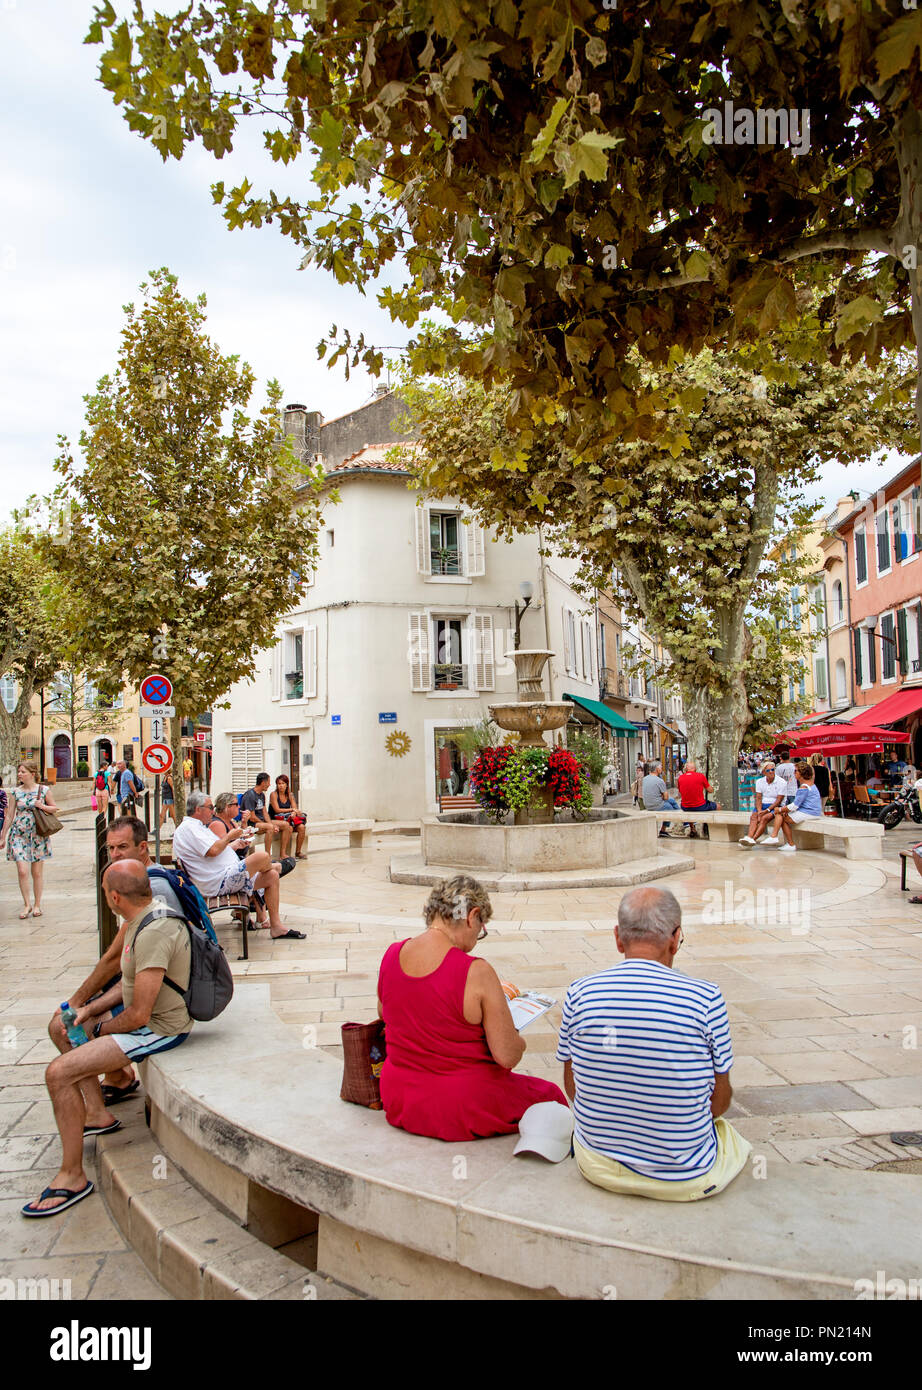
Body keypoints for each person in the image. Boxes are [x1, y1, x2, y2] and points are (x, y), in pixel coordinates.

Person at [22, 862, 194, 1218]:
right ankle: (96, 1114)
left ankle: (72, 1177)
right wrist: (85, 1011)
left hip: (160, 1029)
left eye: (104, 891)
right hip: (143, 1017)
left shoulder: (155, 931)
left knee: (58, 1073)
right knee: (62, 1027)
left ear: (115, 897)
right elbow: (127, 984)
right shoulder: (138, 919)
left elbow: (139, 1015)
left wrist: (96, 1031)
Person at [557, 885, 750, 1202]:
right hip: (683, 1176)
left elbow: (573, 1086)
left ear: (618, 938)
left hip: (599, 1165)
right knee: (732, 1139)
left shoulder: (580, 993)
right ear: (676, 939)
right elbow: (720, 1102)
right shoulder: (705, 999)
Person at [376, 876, 568, 1140]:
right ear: (471, 916)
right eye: (481, 929)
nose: (477, 939)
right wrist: (517, 1039)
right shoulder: (475, 971)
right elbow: (507, 1056)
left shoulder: (392, 954)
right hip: (457, 1106)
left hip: (398, 1097)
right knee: (550, 1096)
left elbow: (384, 1013)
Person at [47, 816, 187, 1107]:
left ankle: (105, 1095)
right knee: (68, 1021)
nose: (115, 855)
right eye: (110, 848)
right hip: (147, 991)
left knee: (62, 1027)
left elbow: (118, 964)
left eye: (122, 847)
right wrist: (84, 1005)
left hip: (163, 1007)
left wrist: (80, 1004)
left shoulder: (151, 891)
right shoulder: (132, 879)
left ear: (143, 847)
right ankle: (108, 1088)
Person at [172, 790, 304, 940]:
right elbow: (214, 850)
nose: (213, 811)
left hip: (224, 874)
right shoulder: (190, 828)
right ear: (198, 809)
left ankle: (276, 927)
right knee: (263, 856)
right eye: (210, 807)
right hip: (217, 881)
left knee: (272, 876)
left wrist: (234, 844)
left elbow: (215, 849)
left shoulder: (197, 827)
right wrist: (230, 836)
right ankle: (273, 866)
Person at [0, 760, 60, 918]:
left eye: (23, 772)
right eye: (19, 771)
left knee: (37, 873)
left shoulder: (43, 790)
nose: (19, 774)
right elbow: (9, 815)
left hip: (38, 835)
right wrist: (3, 836)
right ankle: (26, 904)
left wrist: (42, 806)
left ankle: (37, 904)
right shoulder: (15, 792)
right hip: (18, 834)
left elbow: (54, 807)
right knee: (22, 870)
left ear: (32, 774)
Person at [207, 792, 272, 928]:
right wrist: (238, 841)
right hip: (227, 870)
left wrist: (244, 823)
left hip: (236, 862)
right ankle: (258, 916)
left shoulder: (230, 822)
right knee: (267, 869)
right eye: (236, 804)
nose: (239, 807)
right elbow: (222, 850)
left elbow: (241, 836)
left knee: (268, 871)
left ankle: (258, 915)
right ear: (226, 807)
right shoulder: (217, 825)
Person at [761, 762, 823, 852]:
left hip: (809, 812)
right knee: (782, 814)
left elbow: (795, 805)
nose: (794, 773)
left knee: (781, 816)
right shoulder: (810, 784)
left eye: (796, 771)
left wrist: (780, 809)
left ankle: (787, 842)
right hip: (813, 811)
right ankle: (775, 836)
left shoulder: (804, 788)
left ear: (801, 774)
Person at [240, 772, 291, 857]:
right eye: (268, 782)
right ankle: (267, 856)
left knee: (286, 825)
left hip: (261, 822)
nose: (269, 784)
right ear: (263, 783)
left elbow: (265, 812)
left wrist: (271, 823)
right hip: (252, 824)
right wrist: (269, 825)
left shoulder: (262, 795)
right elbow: (252, 817)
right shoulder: (250, 795)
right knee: (270, 827)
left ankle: (282, 853)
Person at [739, 761, 786, 847]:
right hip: (763, 804)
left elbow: (779, 800)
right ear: (764, 772)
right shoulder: (760, 781)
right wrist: (760, 810)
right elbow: (758, 798)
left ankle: (753, 840)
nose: (771, 772)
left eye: (772, 769)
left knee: (764, 818)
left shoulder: (781, 782)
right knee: (754, 817)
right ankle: (749, 837)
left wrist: (767, 811)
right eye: (768, 770)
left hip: (775, 805)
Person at [676, 758, 716, 839]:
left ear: (686, 769)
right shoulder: (700, 776)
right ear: (695, 768)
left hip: (685, 806)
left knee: (689, 808)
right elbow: (710, 790)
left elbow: (680, 792)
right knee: (717, 806)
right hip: (700, 806)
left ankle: (692, 829)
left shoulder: (680, 778)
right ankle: (714, 830)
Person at [270, 774, 307, 858]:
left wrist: (294, 812)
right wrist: (291, 810)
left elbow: (295, 807)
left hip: (287, 819)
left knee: (302, 827)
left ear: (287, 785)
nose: (281, 786)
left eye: (283, 783)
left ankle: (298, 852)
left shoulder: (290, 795)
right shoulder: (274, 794)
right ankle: (283, 854)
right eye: (279, 784)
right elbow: (277, 810)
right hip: (275, 819)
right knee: (289, 828)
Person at [642, 763, 679, 837]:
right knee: (670, 807)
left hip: (647, 804)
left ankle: (680, 815)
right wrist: (661, 796)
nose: (662, 768)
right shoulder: (659, 781)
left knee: (672, 801)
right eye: (661, 767)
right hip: (656, 805)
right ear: (656, 769)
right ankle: (663, 829)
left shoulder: (645, 779)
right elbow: (665, 797)